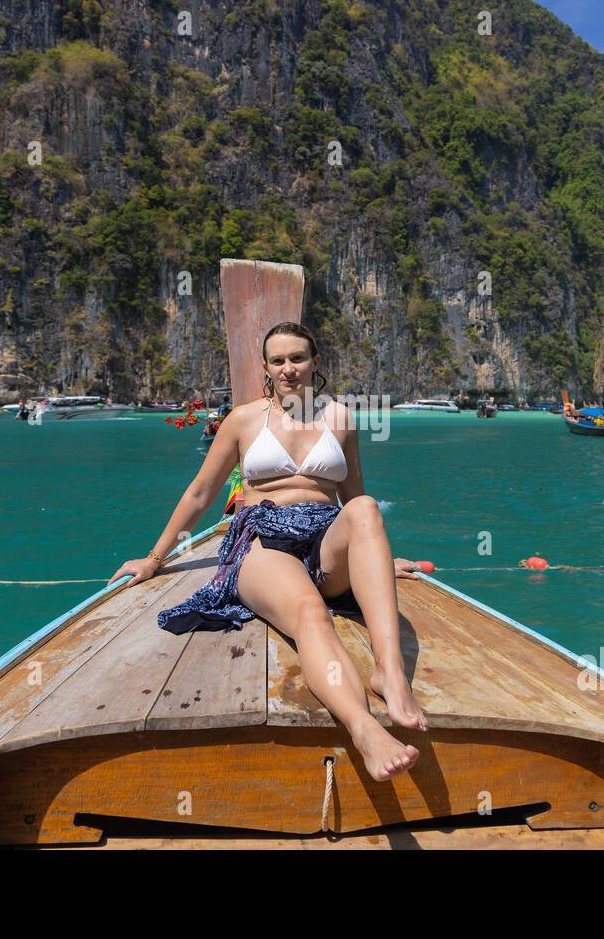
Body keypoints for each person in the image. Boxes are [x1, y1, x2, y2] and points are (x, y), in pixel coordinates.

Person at [110, 322, 427, 781]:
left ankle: (390, 675)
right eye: (277, 360)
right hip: (264, 538)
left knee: (366, 508)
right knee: (310, 613)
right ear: (265, 368)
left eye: (297, 358)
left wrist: (375, 555)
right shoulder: (243, 419)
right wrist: (155, 558)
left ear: (316, 364)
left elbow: (354, 497)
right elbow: (201, 494)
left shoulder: (339, 417)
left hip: (324, 540)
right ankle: (363, 730)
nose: (288, 369)